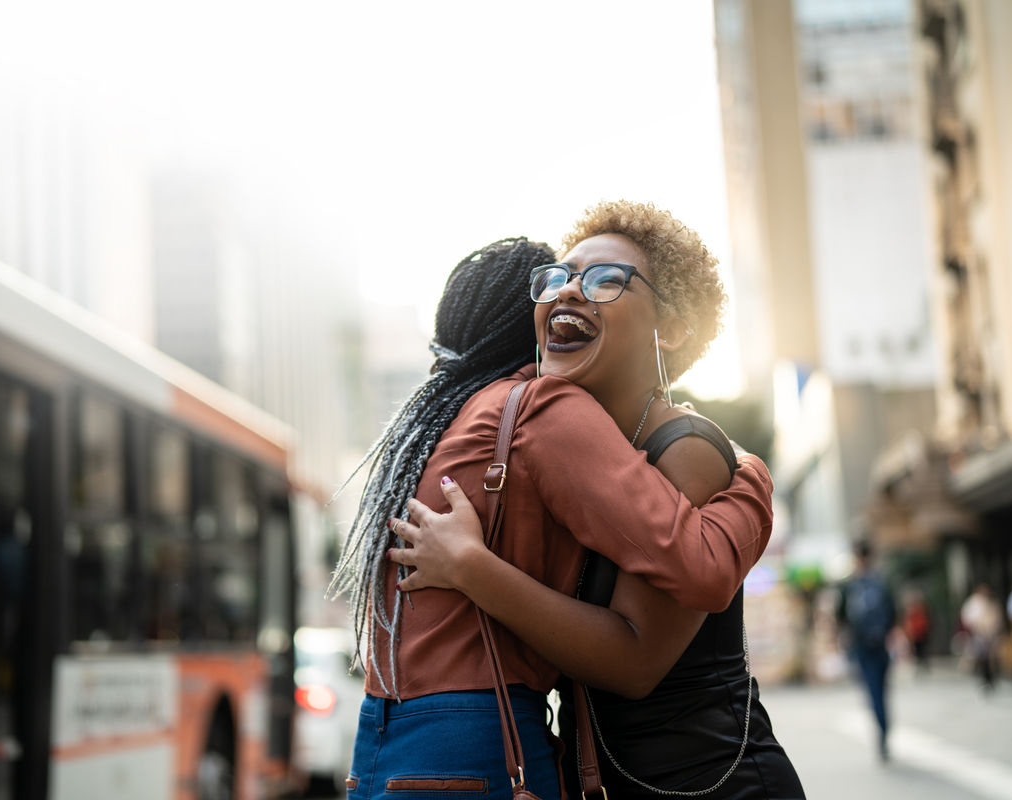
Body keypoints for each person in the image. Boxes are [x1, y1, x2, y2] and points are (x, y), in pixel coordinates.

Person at [331, 225, 778, 800]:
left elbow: (684, 595)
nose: (567, 291)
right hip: (505, 744)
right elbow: (696, 569)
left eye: (606, 280)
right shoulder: (539, 416)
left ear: (669, 329)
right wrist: (754, 480)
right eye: (556, 280)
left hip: (707, 777)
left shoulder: (476, 417)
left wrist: (472, 567)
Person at [837, 540, 896, 762]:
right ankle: (884, 729)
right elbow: (893, 613)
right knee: (881, 691)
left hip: (863, 647)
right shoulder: (881, 582)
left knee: (874, 692)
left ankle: (882, 730)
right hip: (880, 644)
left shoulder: (850, 586)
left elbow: (841, 618)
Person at [960, 581, 1003, 691]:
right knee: (982, 659)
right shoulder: (973, 603)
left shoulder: (992, 603)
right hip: (978, 635)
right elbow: (967, 619)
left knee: (992, 659)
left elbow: (997, 619)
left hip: (991, 635)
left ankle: (992, 679)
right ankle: (984, 679)